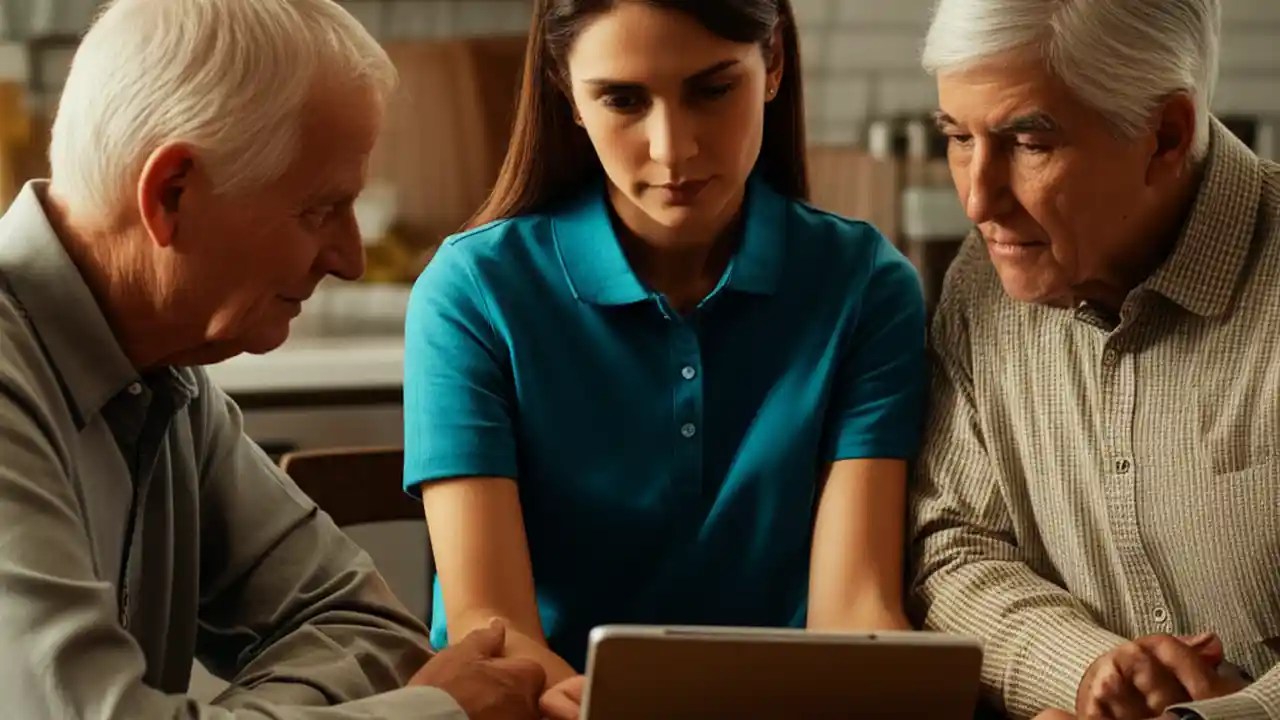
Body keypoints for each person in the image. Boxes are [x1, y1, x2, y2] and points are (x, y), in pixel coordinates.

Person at [0, 0, 546, 717]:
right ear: (172, 193)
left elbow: (366, 625)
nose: (350, 258)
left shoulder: (169, 378)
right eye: (318, 210)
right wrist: (431, 714)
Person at [403, 0, 928, 716]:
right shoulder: (473, 291)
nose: (671, 148)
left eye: (713, 90)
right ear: (567, 91)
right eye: (622, 99)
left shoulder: (865, 285)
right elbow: (492, 630)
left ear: (771, 65)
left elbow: (856, 607)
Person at [907, 0, 1279, 719]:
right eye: (957, 137)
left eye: (1027, 143)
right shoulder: (980, 287)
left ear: (1166, 136)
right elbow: (951, 550)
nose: (977, 198)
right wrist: (1087, 673)